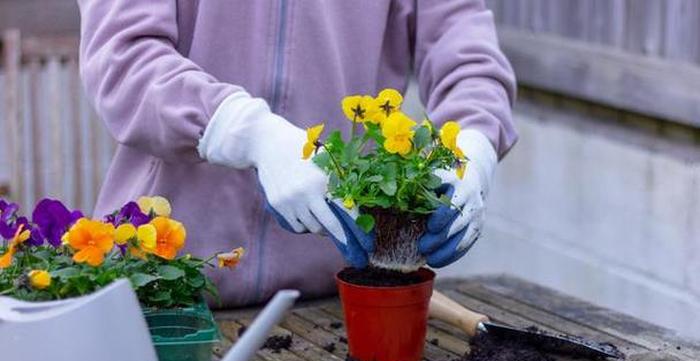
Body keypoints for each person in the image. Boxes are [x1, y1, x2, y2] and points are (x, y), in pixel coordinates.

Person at [78, 0, 517, 307]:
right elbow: (123, 58)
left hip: (336, 299)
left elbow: (466, 53)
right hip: (163, 293)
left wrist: (473, 146)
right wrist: (249, 132)